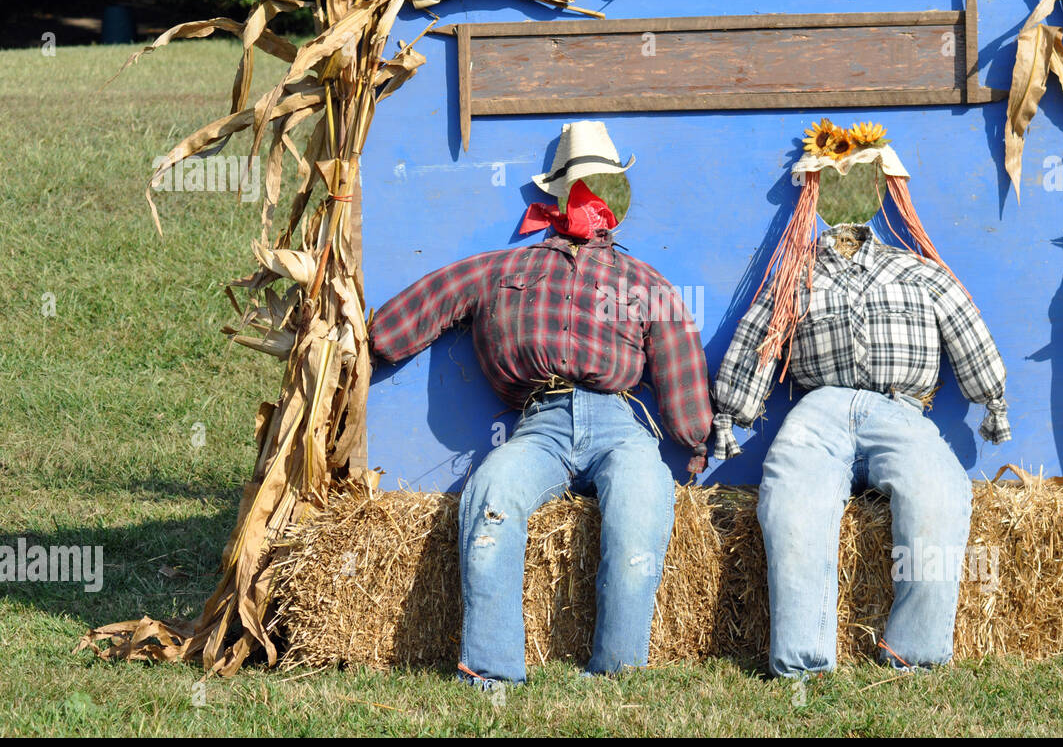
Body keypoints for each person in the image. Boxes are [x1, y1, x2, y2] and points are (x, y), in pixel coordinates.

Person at [369, 121, 712, 686]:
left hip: (618, 422)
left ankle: (618, 670)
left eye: (602, 184)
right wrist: (370, 342)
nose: (591, 197)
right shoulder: (505, 269)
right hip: (540, 424)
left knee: (641, 507)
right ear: (555, 193)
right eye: (581, 184)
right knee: (492, 497)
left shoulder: (643, 279)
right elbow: (426, 303)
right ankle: (491, 669)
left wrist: (694, 439)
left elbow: (679, 362)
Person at [711, 124, 1010, 675]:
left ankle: (914, 649)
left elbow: (967, 327)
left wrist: (990, 396)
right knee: (789, 502)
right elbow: (760, 339)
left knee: (937, 493)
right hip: (819, 410)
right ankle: (804, 654)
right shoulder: (794, 279)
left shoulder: (918, 272)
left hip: (903, 408)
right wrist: (733, 411)